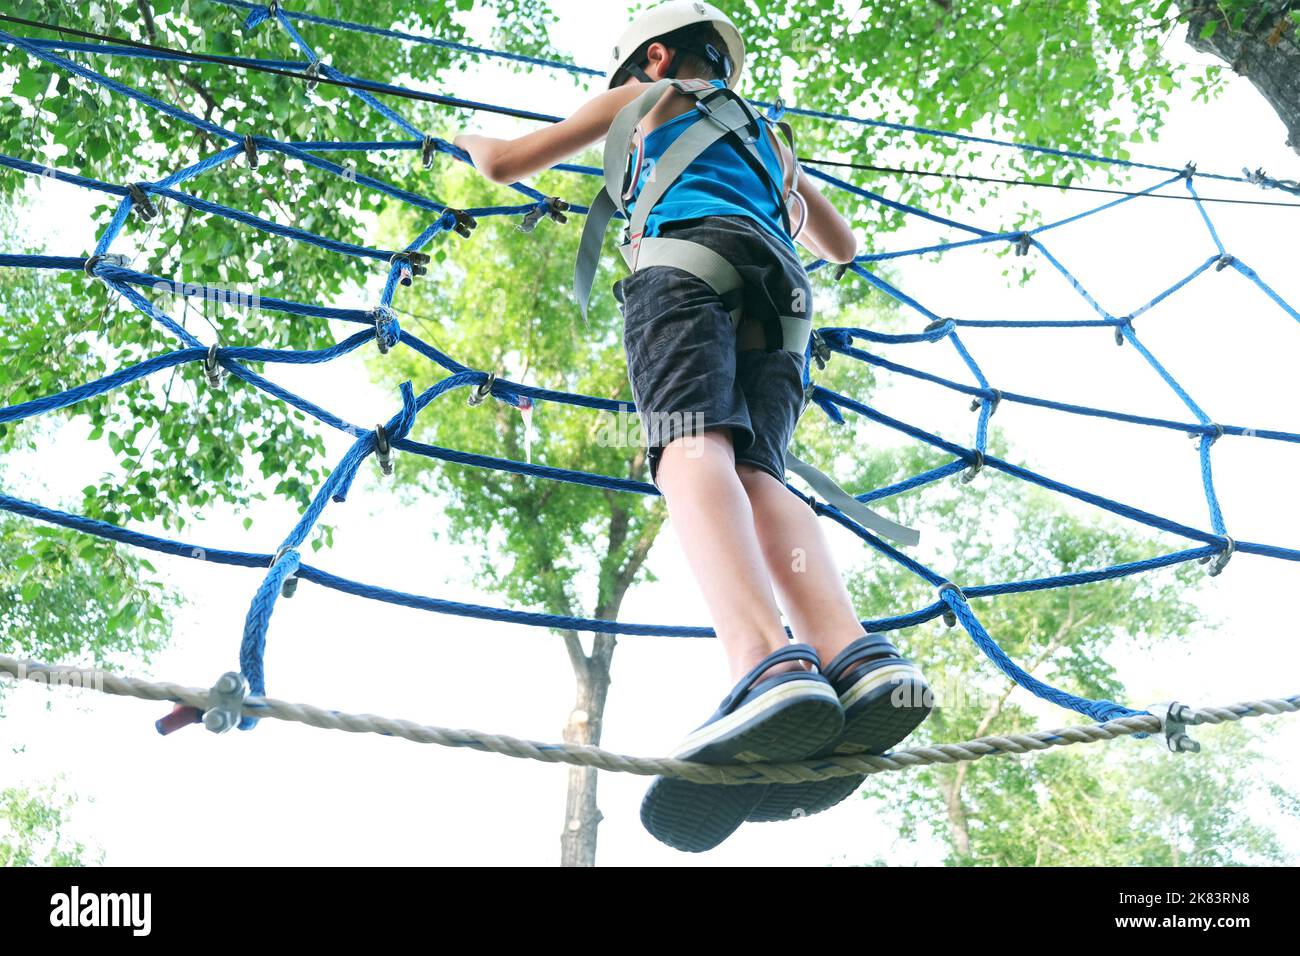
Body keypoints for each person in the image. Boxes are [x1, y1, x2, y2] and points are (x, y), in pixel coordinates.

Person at [454, 0, 931, 853]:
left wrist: (460, 137)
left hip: (683, 268)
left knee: (687, 444)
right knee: (760, 475)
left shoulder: (650, 94)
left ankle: (764, 660)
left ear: (657, 55)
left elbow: (505, 165)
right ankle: (854, 656)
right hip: (785, 296)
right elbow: (843, 245)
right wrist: (783, 193)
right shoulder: (770, 136)